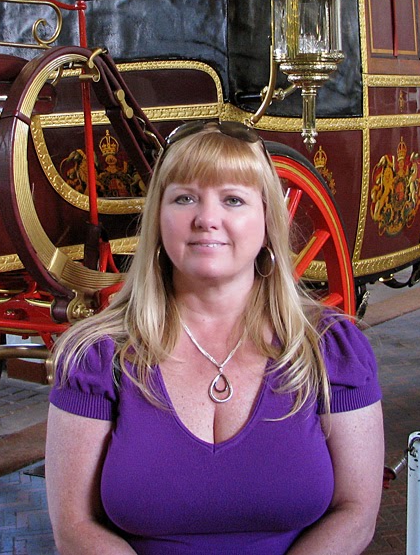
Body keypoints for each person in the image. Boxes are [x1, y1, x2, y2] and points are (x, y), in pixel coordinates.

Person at [45, 120, 384, 555]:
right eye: (184, 198)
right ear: (158, 220)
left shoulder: (332, 350)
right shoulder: (96, 357)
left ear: (266, 222)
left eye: (233, 199)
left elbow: (356, 513)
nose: (207, 219)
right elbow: (74, 527)